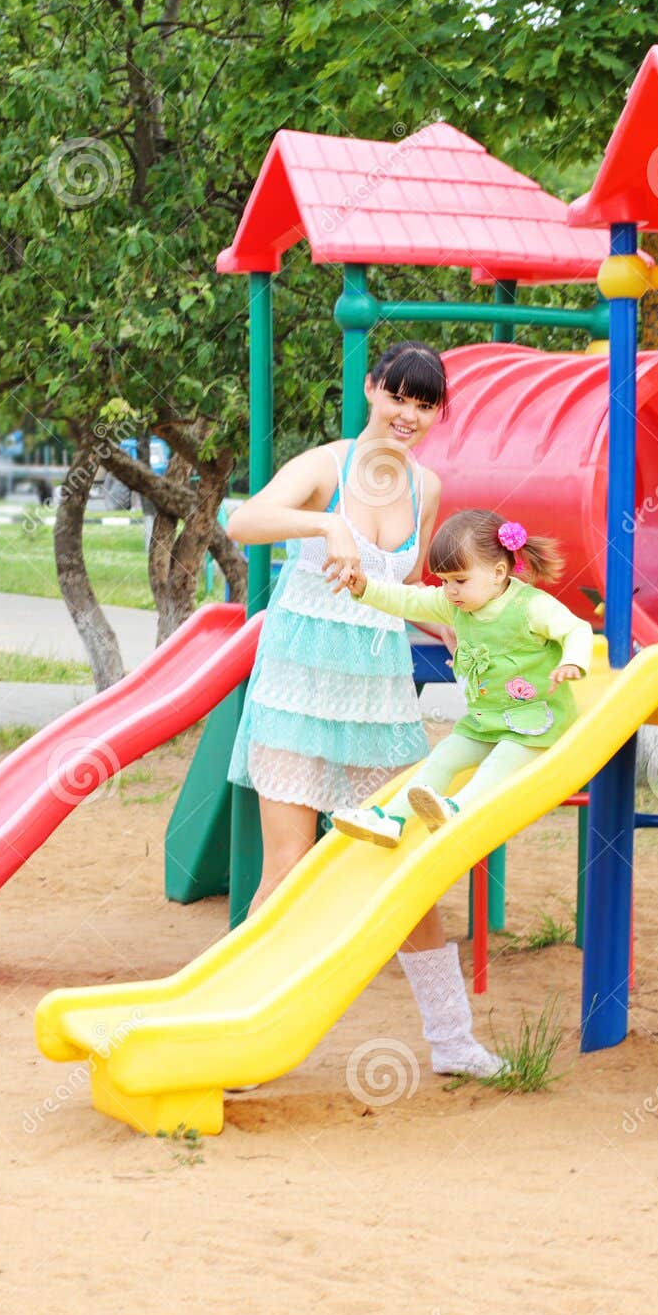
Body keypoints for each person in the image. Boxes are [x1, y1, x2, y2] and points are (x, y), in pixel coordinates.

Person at [226, 341, 502, 1079]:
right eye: (399, 397)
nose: (408, 415)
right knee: (286, 864)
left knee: (404, 867)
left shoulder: (427, 487)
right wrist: (326, 526)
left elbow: (405, 587)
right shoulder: (327, 465)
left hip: (377, 695)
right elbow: (243, 521)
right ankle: (238, 1029)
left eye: (424, 404)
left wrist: (452, 625)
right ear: (373, 390)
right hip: (295, 686)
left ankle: (451, 1041)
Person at [327, 509, 593, 844]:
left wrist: (573, 662)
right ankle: (391, 818)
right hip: (485, 721)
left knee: (499, 764)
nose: (450, 590)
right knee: (443, 757)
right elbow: (408, 600)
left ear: (498, 573)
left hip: (532, 724)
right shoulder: (455, 604)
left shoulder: (530, 606)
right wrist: (366, 588)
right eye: (444, 580)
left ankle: (458, 808)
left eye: (460, 580)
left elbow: (576, 630)